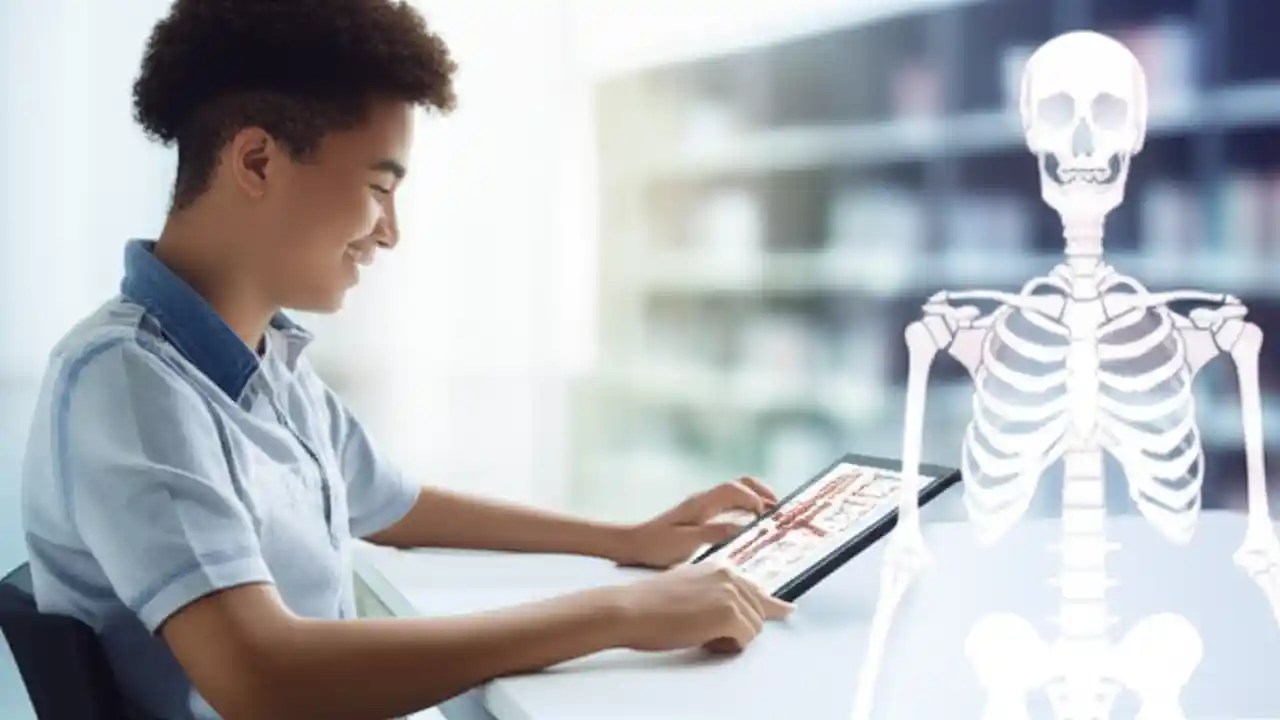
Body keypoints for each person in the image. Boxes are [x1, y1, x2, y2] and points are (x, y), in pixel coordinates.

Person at [18, 1, 792, 718]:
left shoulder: (269, 361)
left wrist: (624, 540)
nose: (390, 231)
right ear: (255, 162)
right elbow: (259, 674)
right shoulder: (127, 382)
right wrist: (617, 614)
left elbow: (393, 504)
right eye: (377, 187)